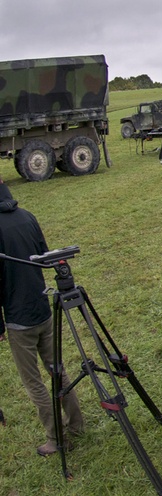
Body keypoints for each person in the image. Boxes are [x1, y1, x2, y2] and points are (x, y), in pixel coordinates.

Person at [0, 175, 84, 457]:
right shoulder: (27, 217)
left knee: (35, 383)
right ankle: (76, 424)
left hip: (18, 320)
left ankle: (56, 437)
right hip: (43, 310)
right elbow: (44, 257)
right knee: (57, 369)